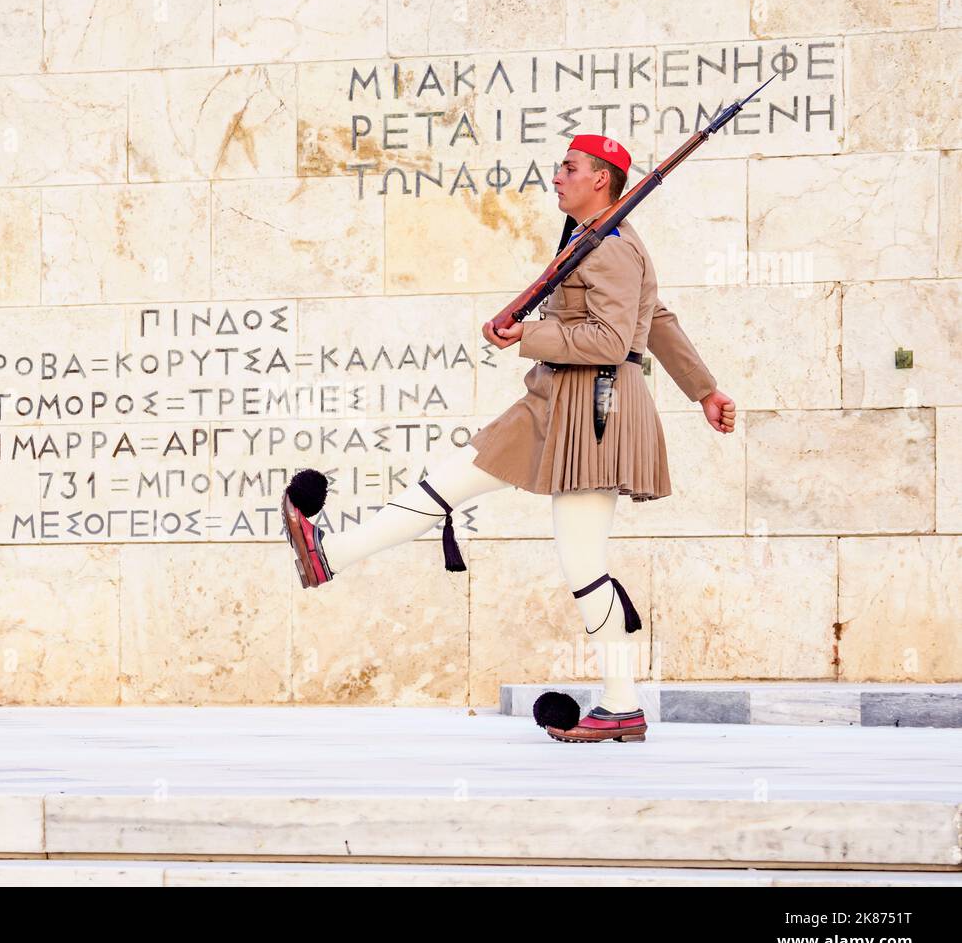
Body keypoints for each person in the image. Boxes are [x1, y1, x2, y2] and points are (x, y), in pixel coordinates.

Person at [281, 134, 736, 743]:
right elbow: (655, 320)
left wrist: (525, 337)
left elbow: (613, 339)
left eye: (569, 168)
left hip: (593, 408)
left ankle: (623, 704)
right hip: (552, 399)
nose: (556, 176)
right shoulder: (593, 238)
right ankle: (327, 556)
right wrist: (705, 390)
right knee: (446, 482)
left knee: (583, 563)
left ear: (601, 179)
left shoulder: (614, 248)